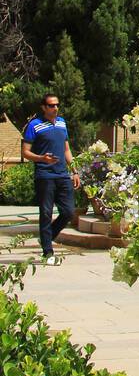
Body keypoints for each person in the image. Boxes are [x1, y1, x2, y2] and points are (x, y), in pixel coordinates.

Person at [22, 93, 81, 265]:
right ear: (43, 107)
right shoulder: (35, 125)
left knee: (69, 211)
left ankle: (46, 238)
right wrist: (42, 159)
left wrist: (75, 171)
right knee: (46, 213)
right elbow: (25, 152)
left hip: (62, 175)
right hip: (45, 175)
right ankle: (48, 251)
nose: (55, 108)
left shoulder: (62, 123)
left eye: (56, 105)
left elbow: (66, 149)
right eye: (51, 105)